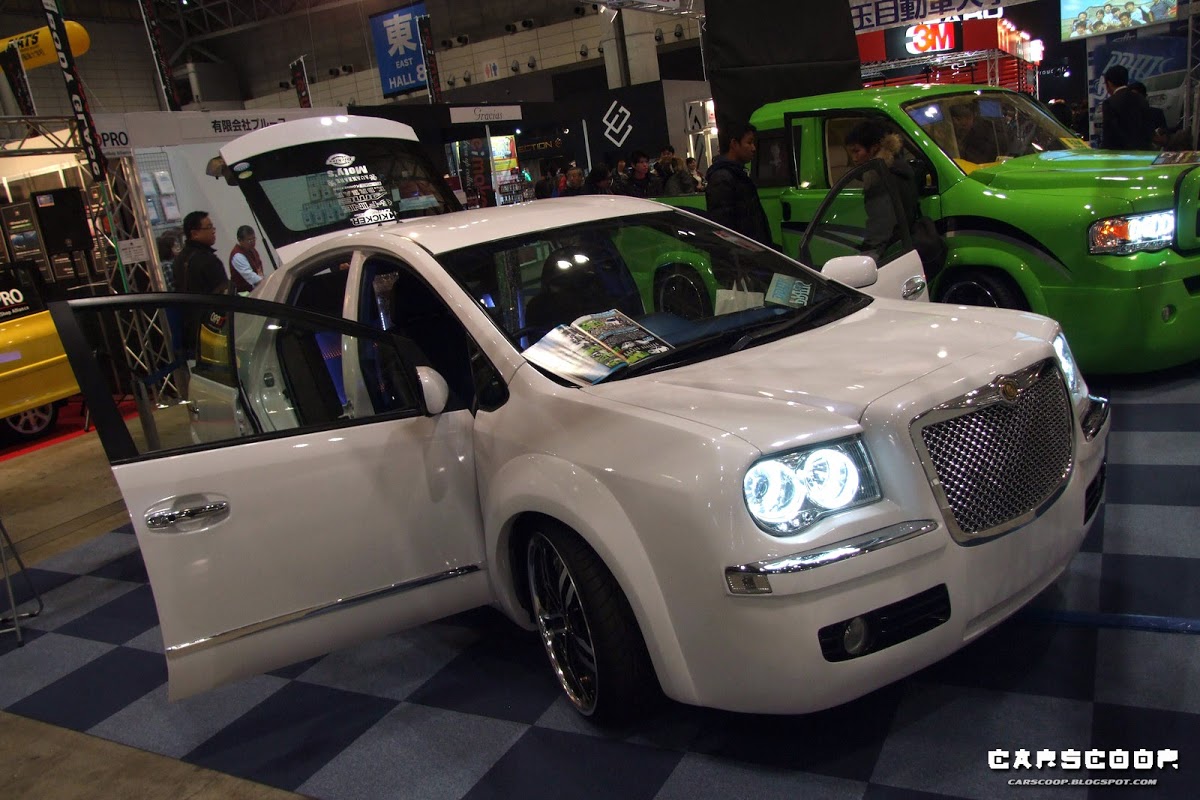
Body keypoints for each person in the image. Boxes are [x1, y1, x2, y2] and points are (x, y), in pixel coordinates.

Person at [844, 120, 946, 277]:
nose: (854, 158)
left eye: (856, 151)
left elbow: (881, 227)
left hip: (891, 251)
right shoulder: (899, 167)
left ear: (874, 148)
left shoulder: (880, 178)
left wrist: (865, 255)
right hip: (905, 244)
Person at [705, 122, 772, 246]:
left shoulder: (737, 174)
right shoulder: (722, 178)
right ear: (734, 144)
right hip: (743, 258)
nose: (753, 148)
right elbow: (724, 227)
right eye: (749, 142)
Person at [175, 211, 228, 295]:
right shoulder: (208, 260)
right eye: (209, 227)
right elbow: (225, 294)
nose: (213, 231)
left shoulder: (179, 259)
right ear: (194, 233)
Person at [1102, 64, 1154, 150]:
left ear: (1109, 83)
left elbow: (1109, 135)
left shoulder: (1110, 103)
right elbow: (1148, 128)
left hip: (1120, 155)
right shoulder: (1141, 99)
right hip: (1142, 153)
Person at [1129, 81, 1169, 147]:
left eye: (1136, 97)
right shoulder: (1124, 115)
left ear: (1144, 97)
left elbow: (1164, 137)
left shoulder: (1156, 113)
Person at [229, 225, 264, 293]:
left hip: (257, 288)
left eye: (254, 239)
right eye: (249, 240)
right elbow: (250, 276)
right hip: (245, 293)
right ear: (240, 240)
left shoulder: (252, 250)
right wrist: (265, 283)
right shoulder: (237, 256)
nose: (253, 242)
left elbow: (259, 269)